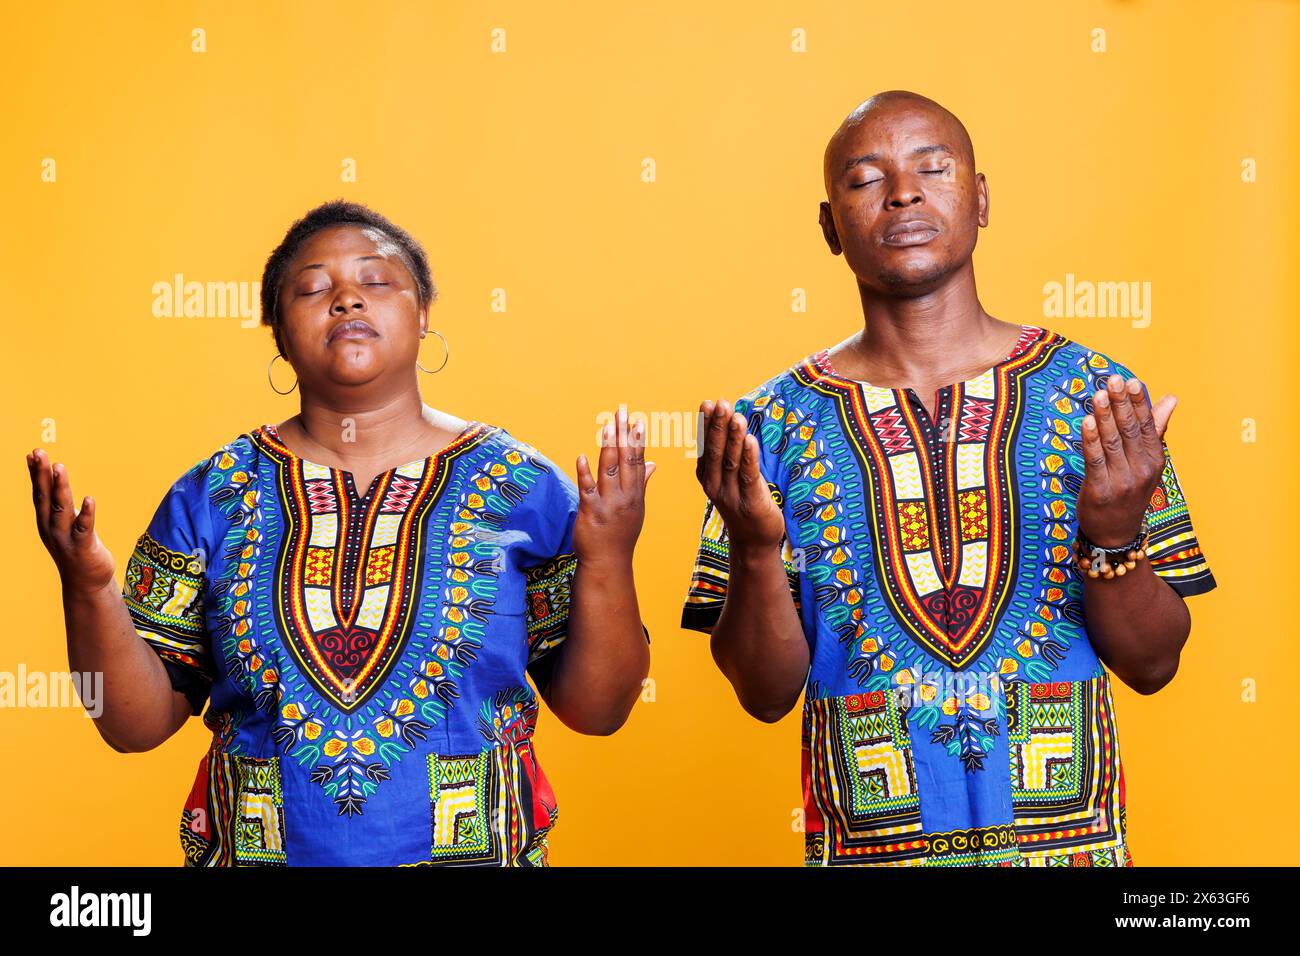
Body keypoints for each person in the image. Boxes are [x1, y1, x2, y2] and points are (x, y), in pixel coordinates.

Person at [28, 199, 653, 866]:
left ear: (423, 314)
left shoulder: (523, 487)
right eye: (313, 288)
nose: (347, 299)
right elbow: (134, 725)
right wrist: (87, 586)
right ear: (277, 333)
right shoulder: (210, 495)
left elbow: (600, 709)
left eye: (377, 282)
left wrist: (611, 556)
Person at [682, 91, 1215, 867]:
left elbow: (1153, 664)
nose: (903, 192)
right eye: (866, 179)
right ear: (831, 227)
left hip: (1070, 847)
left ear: (982, 198)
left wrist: (1114, 535)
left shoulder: (1094, 397)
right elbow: (765, 696)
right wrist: (757, 549)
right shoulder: (768, 428)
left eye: (933, 167)